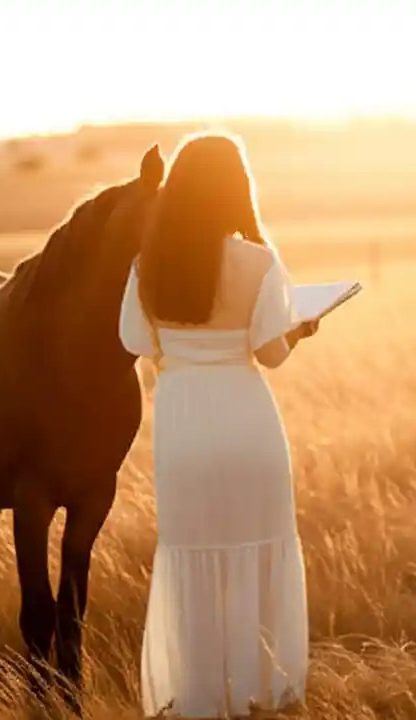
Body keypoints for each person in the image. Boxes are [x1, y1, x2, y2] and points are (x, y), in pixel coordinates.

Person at [119, 132, 317, 718]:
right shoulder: (260, 262)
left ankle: (201, 699)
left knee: (193, 562)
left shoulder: (147, 264)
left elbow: (133, 340)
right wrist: (300, 329)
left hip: (183, 429)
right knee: (256, 557)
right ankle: (258, 692)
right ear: (237, 189)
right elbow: (272, 354)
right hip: (248, 423)